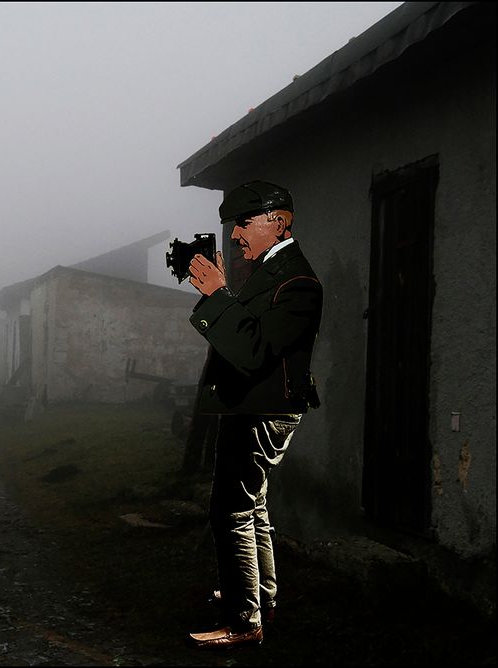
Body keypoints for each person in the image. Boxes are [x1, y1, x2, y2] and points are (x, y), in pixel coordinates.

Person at [183, 181, 323, 649]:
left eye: (245, 222)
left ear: (278, 222)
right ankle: (259, 596)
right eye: (233, 224)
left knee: (232, 508)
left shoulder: (298, 283)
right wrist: (222, 295)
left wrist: (219, 295)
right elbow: (243, 335)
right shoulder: (269, 271)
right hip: (254, 405)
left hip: (265, 409)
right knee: (252, 505)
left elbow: (254, 350)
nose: (236, 233)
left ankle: (244, 622)